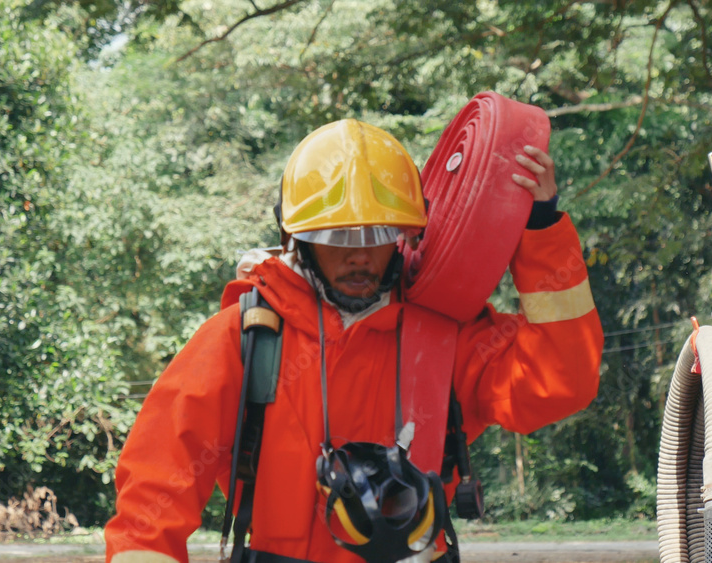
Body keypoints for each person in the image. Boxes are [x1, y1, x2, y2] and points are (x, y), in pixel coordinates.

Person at [104, 119, 604, 563]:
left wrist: (540, 230)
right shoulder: (247, 338)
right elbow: (154, 494)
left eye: (379, 233)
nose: (360, 256)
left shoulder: (445, 334)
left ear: (406, 233)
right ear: (297, 238)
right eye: (340, 238)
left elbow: (561, 381)